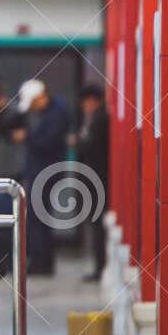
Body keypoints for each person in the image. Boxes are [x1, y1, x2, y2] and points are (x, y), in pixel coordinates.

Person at [14, 78, 70, 277]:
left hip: (46, 173)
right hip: (41, 172)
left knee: (39, 220)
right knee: (38, 219)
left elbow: (48, 142)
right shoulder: (49, 113)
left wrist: (27, 137)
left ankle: (41, 263)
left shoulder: (57, 114)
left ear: (40, 97)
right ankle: (39, 261)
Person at [76, 84, 111, 279]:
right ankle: (99, 266)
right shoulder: (98, 119)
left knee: (97, 225)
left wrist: (79, 142)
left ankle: (100, 267)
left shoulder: (99, 120)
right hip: (98, 180)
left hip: (97, 180)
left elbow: (90, 149)